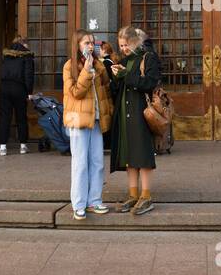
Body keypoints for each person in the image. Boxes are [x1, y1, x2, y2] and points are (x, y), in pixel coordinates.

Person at [109, 25, 161, 215]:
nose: (123, 49)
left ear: (135, 42)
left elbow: (150, 83)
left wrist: (126, 75)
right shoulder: (125, 60)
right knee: (129, 156)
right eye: (121, 45)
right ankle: (133, 194)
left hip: (141, 113)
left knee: (143, 155)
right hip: (125, 113)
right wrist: (115, 77)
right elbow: (119, 90)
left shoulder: (149, 57)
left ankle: (146, 196)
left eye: (125, 45)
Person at [62, 31, 114, 220]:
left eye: (92, 43)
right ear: (77, 45)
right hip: (78, 121)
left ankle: (94, 200)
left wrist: (109, 114)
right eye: (86, 42)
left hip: (97, 120)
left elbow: (106, 92)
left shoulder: (99, 65)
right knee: (80, 163)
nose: (90, 46)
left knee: (97, 163)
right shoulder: (70, 66)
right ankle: (79, 204)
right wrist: (86, 72)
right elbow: (75, 92)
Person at [0, 34, 35, 156]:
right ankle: (23, 146)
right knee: (21, 117)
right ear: (24, 44)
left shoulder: (6, 55)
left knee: (4, 117)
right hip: (19, 88)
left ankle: (2, 147)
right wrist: (29, 92)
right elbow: (28, 75)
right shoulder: (27, 55)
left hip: (4, 87)